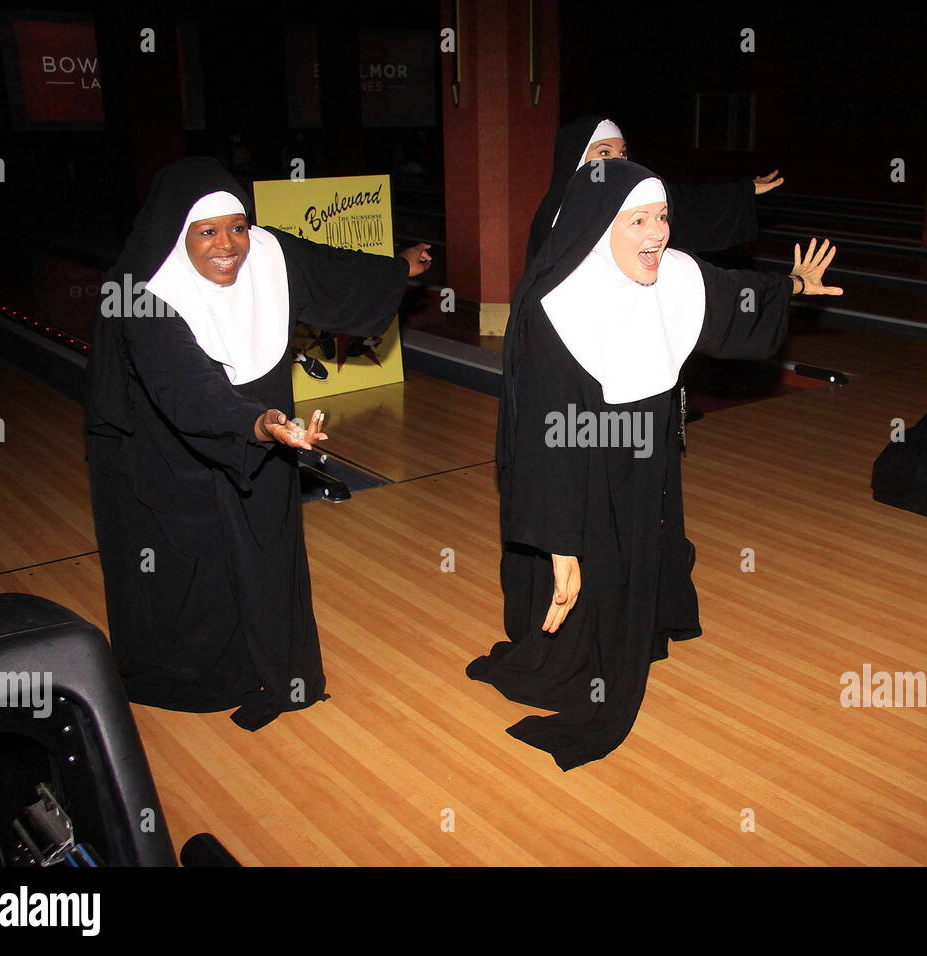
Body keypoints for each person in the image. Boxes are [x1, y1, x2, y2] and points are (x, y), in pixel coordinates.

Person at [468, 160, 841, 770]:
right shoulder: (556, 310)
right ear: (599, 228)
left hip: (647, 451)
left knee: (636, 561)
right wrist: (562, 544)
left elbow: (733, 299)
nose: (657, 232)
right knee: (598, 569)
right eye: (637, 219)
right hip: (583, 458)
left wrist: (794, 286)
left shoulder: (675, 277)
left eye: (662, 216)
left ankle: (627, 639)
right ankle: (584, 666)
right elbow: (541, 441)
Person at [84, 157, 433, 731]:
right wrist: (258, 424)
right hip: (171, 455)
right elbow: (186, 391)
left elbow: (331, 272)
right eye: (208, 232)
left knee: (266, 546)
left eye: (237, 227)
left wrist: (394, 269)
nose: (229, 245)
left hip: (265, 434)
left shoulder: (267, 254)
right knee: (195, 562)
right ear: (180, 236)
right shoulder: (142, 297)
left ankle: (276, 659)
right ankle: (198, 672)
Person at [524, 115, 784, 265]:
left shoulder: (632, 200)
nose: (616, 161)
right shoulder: (556, 216)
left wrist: (742, 191)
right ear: (579, 159)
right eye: (604, 152)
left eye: (622, 153)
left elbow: (687, 204)